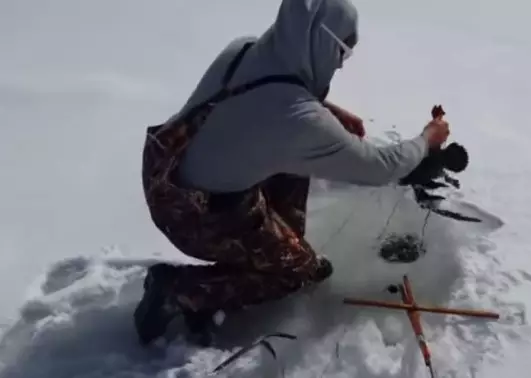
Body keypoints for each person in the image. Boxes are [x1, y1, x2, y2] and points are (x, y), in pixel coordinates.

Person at [134, 0, 452, 346]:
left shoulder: (243, 48)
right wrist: (427, 138)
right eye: (341, 51)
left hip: (166, 172)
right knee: (296, 274)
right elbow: (380, 168)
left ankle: (276, 248)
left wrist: (326, 109)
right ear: (321, 39)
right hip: (194, 215)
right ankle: (178, 292)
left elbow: (253, 101)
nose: (341, 65)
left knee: (298, 161)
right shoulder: (296, 120)